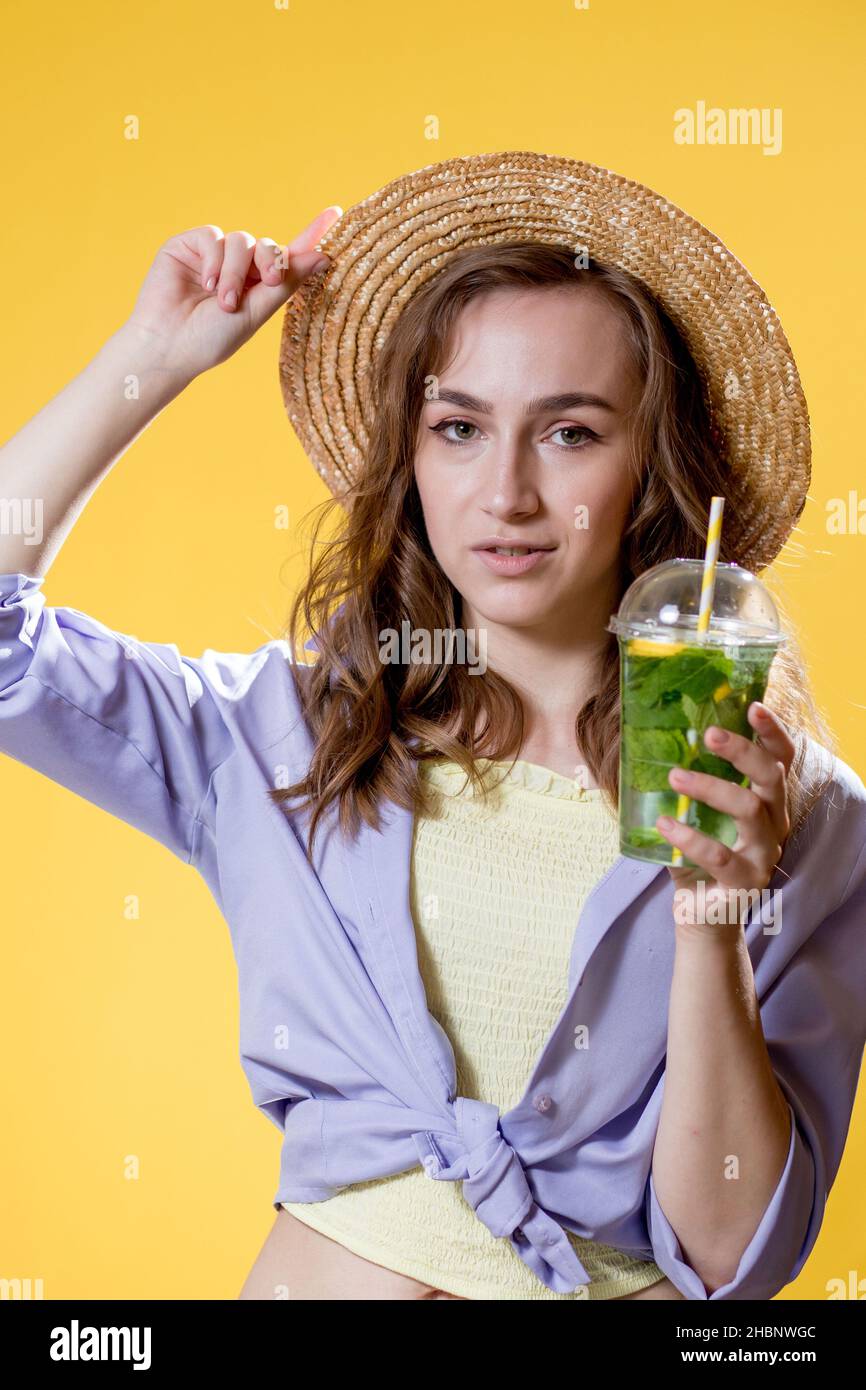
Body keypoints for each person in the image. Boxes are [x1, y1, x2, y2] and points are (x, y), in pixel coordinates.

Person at [1, 153, 864, 1301]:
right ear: (410, 458)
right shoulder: (284, 738)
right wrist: (148, 363)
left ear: (649, 467)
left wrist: (710, 920)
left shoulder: (792, 815)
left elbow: (728, 1264)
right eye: (458, 426)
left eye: (568, 433)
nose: (503, 491)